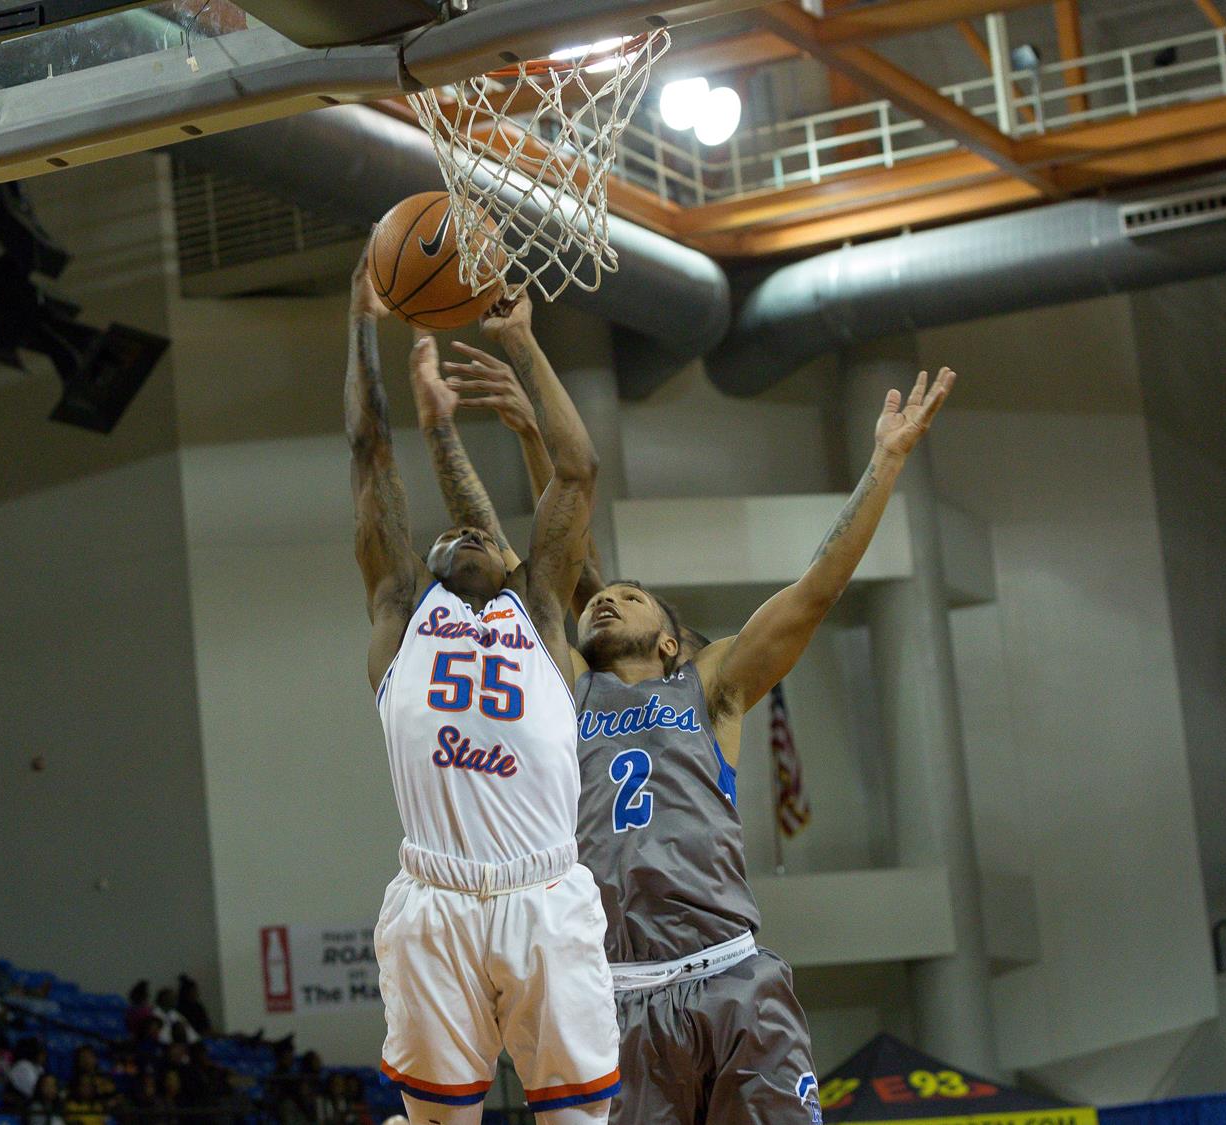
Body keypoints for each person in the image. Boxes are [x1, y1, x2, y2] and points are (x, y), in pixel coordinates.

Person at [426, 306, 955, 1125]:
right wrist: (530, 432)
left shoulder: (709, 688)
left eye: (628, 597)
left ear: (671, 641)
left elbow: (815, 591)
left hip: (730, 976)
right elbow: (562, 558)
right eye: (600, 600)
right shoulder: (565, 685)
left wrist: (883, 462)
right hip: (614, 996)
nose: (606, 601)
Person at [346, 259, 614, 1124]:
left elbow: (577, 471)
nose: (464, 534)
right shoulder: (401, 616)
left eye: (481, 533)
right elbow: (368, 452)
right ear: (422, 565)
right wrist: (360, 321)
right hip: (434, 898)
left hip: (546, 894)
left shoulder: (540, 613)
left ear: (509, 557)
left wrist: (521, 342)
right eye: (447, 535)